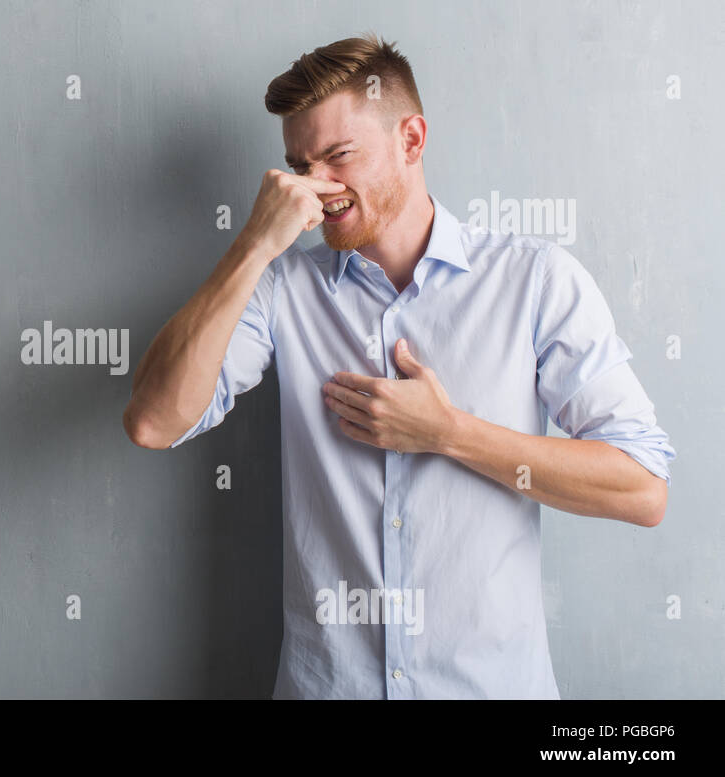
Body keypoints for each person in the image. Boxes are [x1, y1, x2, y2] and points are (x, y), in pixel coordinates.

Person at [121, 33, 674, 699]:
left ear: (411, 140)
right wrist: (252, 246)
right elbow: (153, 421)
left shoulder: (536, 281)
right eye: (299, 164)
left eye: (337, 156)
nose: (315, 186)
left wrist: (448, 432)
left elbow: (643, 487)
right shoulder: (279, 288)